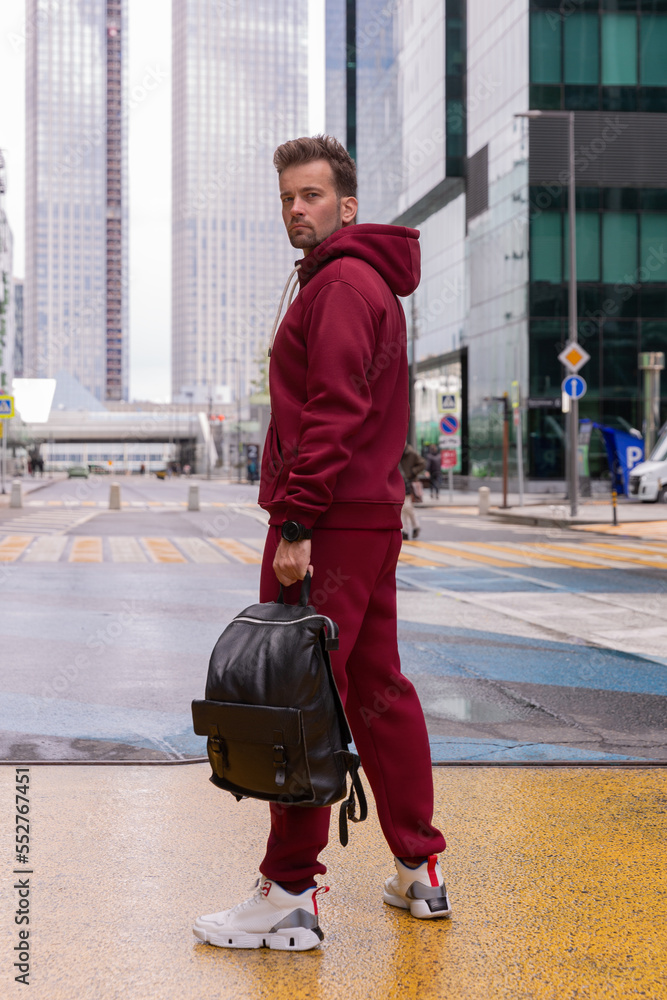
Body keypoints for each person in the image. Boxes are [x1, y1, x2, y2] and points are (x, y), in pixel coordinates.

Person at [193, 135, 449, 953]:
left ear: (346, 205)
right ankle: (418, 868)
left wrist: (297, 522)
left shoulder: (339, 284)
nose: (294, 210)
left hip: (328, 521)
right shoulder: (361, 280)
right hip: (365, 517)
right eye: (285, 199)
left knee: (294, 699)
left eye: (309, 196)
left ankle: (288, 892)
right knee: (374, 687)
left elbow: (333, 411)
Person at [399, 441, 426, 540]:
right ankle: (406, 530)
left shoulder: (411, 453)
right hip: (400, 482)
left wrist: (412, 472)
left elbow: (423, 463)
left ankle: (415, 527)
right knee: (403, 508)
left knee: (407, 507)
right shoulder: (397, 453)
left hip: (410, 483)